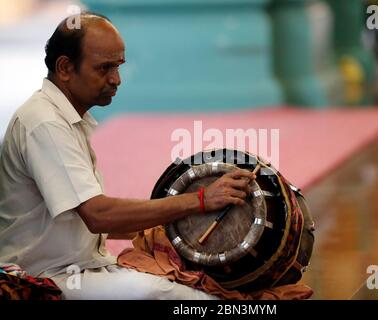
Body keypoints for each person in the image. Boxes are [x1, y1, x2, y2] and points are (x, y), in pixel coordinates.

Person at [0, 12, 255, 300]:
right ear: (65, 67)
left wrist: (173, 232)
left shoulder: (63, 117)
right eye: (104, 68)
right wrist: (199, 201)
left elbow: (80, 225)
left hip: (83, 269)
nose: (116, 79)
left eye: (118, 66)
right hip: (44, 280)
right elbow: (98, 215)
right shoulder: (44, 122)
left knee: (201, 281)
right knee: (186, 299)